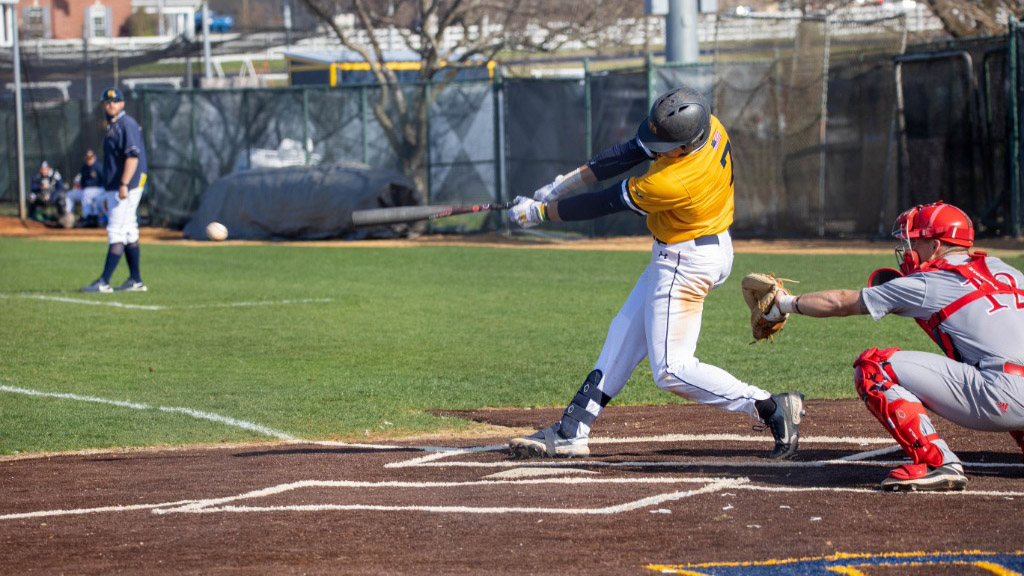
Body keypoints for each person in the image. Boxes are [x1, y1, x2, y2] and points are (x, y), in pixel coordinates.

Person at [506, 87, 805, 460]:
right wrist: (562, 184)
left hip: (685, 260)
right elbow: (630, 151)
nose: (657, 148)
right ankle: (572, 429)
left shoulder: (672, 181)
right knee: (624, 333)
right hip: (700, 243)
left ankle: (770, 406)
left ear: (685, 144)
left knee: (671, 371)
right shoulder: (708, 126)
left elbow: (606, 200)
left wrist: (540, 214)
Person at [761, 200, 1024, 491]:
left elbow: (841, 302)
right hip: (1011, 389)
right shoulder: (1006, 270)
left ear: (935, 244)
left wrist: (784, 304)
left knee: (874, 367)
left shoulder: (929, 282)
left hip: (1001, 395)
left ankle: (936, 462)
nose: (908, 248)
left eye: (915, 240)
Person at [80, 88, 149, 293]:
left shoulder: (126, 124)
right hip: (118, 185)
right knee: (128, 230)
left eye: (115, 100)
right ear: (103, 105)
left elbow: (133, 157)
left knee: (116, 230)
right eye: (107, 101)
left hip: (128, 184)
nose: (111, 104)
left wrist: (124, 184)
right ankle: (135, 280)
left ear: (122, 103)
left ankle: (104, 281)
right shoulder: (113, 125)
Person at [66, 149, 105, 227]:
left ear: (94, 157)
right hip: (85, 190)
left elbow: (104, 180)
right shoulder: (84, 167)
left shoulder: (99, 167)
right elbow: (82, 182)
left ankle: (88, 216)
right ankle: (68, 217)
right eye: (87, 158)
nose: (88, 160)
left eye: (90, 158)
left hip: (99, 189)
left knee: (87, 193)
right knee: (69, 194)